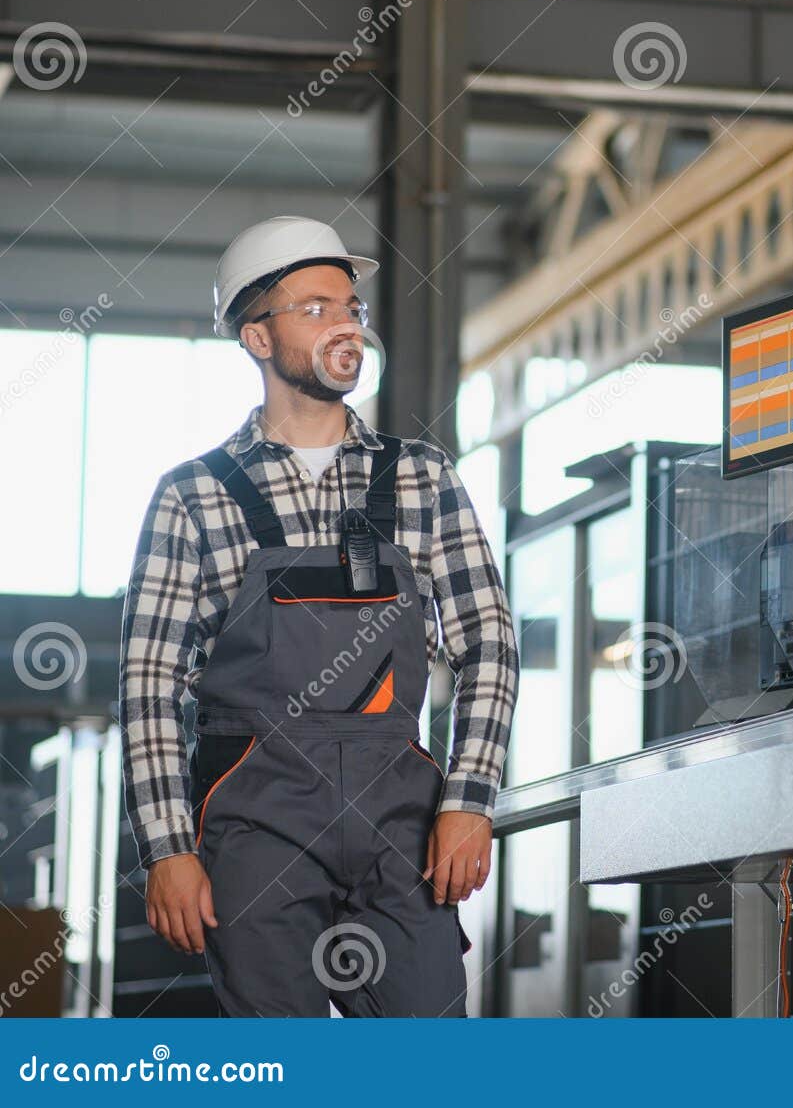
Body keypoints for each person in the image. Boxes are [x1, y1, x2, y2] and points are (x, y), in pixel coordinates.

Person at [119, 216, 518, 1016]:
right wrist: (168, 849)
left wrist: (469, 801)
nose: (344, 325)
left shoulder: (421, 478)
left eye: (351, 307)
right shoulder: (194, 496)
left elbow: (490, 646)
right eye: (315, 308)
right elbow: (148, 682)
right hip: (256, 827)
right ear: (256, 337)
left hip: (402, 825)